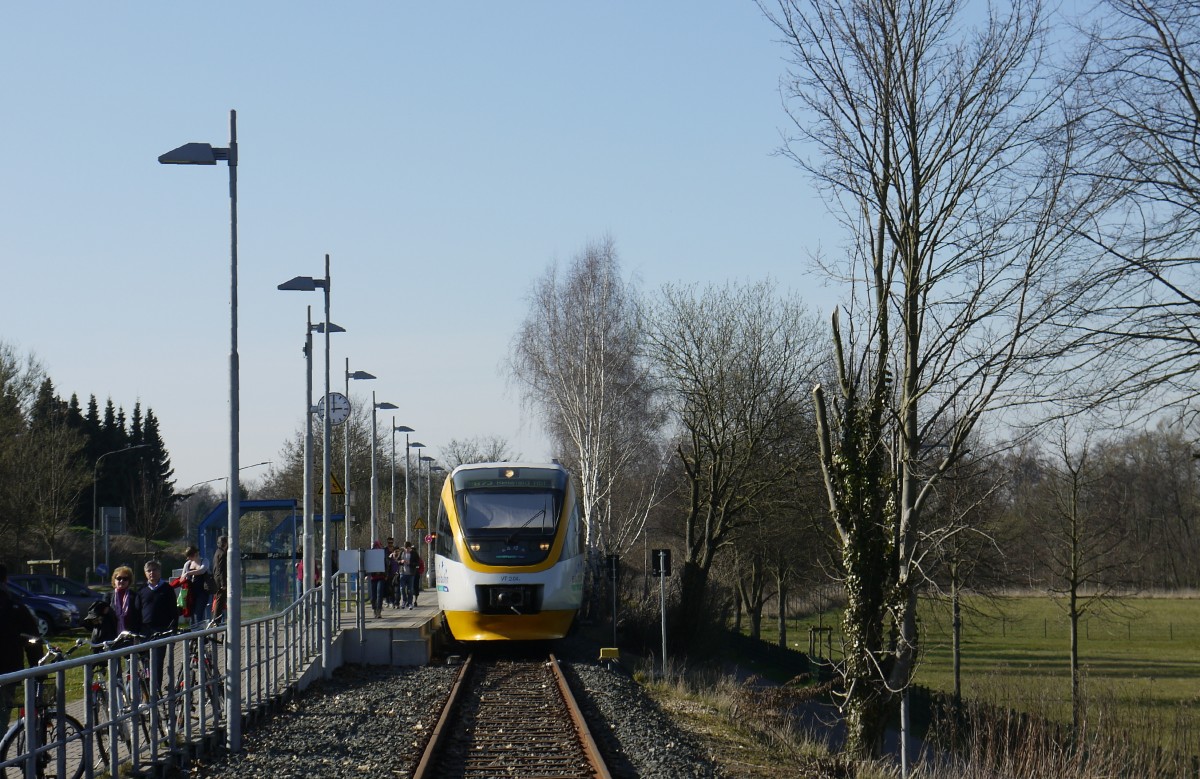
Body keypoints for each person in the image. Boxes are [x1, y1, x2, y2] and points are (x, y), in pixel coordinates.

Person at [0, 563, 39, 733]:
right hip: (8, 670)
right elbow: (33, 640)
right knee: (1, 718)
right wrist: (38, 670)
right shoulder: (15, 608)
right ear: (6, 580)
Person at [134, 559, 179, 690]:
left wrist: (173, 630)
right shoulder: (142, 590)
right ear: (145, 573)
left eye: (154, 570)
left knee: (157, 662)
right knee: (145, 662)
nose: (152, 573)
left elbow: (173, 611)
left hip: (161, 630)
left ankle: (156, 688)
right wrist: (136, 632)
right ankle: (146, 690)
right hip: (145, 631)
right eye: (149, 571)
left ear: (159, 572)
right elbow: (137, 612)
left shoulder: (167, 589)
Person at [84, 565, 142, 647]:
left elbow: (137, 616)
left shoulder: (134, 596)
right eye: (118, 578)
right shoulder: (108, 596)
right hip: (111, 637)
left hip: (129, 636)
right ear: (114, 580)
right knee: (114, 659)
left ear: (129, 581)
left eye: (125, 579)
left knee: (130, 659)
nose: (121, 581)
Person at [180, 545, 211, 624]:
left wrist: (188, 573)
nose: (189, 558)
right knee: (191, 615)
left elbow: (202, 570)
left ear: (196, 554)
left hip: (202, 592)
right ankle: (193, 635)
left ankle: (199, 634)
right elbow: (182, 577)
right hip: (191, 593)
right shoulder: (187, 564)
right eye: (188, 556)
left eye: (191, 556)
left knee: (198, 614)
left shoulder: (204, 561)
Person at [211, 535, 228, 622]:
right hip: (220, 581)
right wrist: (223, 583)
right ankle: (216, 620)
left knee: (219, 600)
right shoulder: (222, 554)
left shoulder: (217, 552)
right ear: (225, 543)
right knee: (220, 601)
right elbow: (221, 569)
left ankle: (217, 619)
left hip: (216, 580)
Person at [399, 542, 421, 609]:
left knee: (410, 589)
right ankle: (404, 600)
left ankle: (410, 603)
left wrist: (410, 563)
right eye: (406, 548)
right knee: (402, 588)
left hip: (411, 574)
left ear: (410, 548)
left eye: (408, 548)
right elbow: (397, 560)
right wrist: (401, 561)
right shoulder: (402, 553)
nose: (407, 550)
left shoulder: (414, 553)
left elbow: (418, 563)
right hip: (402, 573)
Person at [369, 540, 388, 618]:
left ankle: (378, 610)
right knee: (374, 595)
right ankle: (375, 609)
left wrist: (385, 574)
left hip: (381, 577)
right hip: (373, 577)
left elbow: (386, 564)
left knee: (379, 594)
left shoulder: (383, 554)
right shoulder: (371, 554)